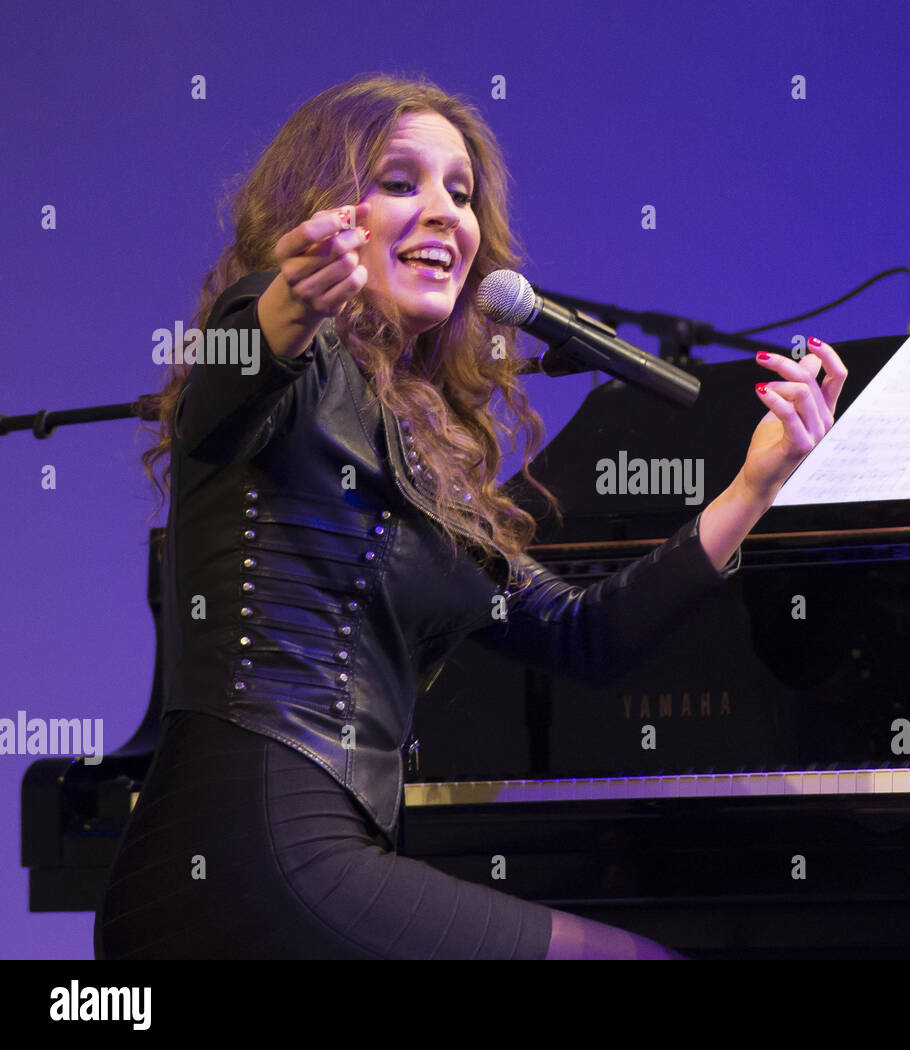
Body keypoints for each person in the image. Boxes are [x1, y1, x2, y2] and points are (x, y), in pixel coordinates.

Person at [94, 72, 846, 960]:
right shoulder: (286, 356)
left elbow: (584, 635)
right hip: (243, 856)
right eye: (399, 182)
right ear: (325, 211)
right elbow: (228, 380)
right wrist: (288, 302)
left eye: (462, 192)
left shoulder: (421, 449)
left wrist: (755, 485)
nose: (447, 212)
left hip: (314, 854)